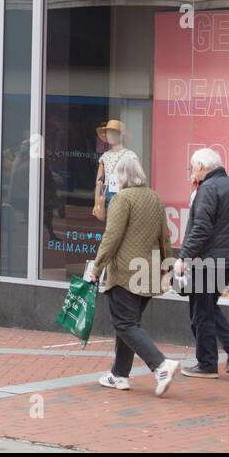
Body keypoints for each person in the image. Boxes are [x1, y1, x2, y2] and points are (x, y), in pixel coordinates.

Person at [88, 153, 181, 397]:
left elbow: (112, 237)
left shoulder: (122, 199)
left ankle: (161, 365)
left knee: (125, 323)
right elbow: (165, 237)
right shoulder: (155, 198)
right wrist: (167, 268)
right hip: (148, 272)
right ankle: (119, 375)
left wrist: (96, 268)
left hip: (126, 273)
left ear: (121, 177)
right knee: (129, 324)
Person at [174, 148, 229, 378]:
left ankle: (208, 362)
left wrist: (184, 256)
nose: (191, 173)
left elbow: (201, 228)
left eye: (192, 168)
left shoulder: (208, 188)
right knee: (208, 308)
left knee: (202, 312)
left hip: (208, 261)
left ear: (199, 166)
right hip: (227, 261)